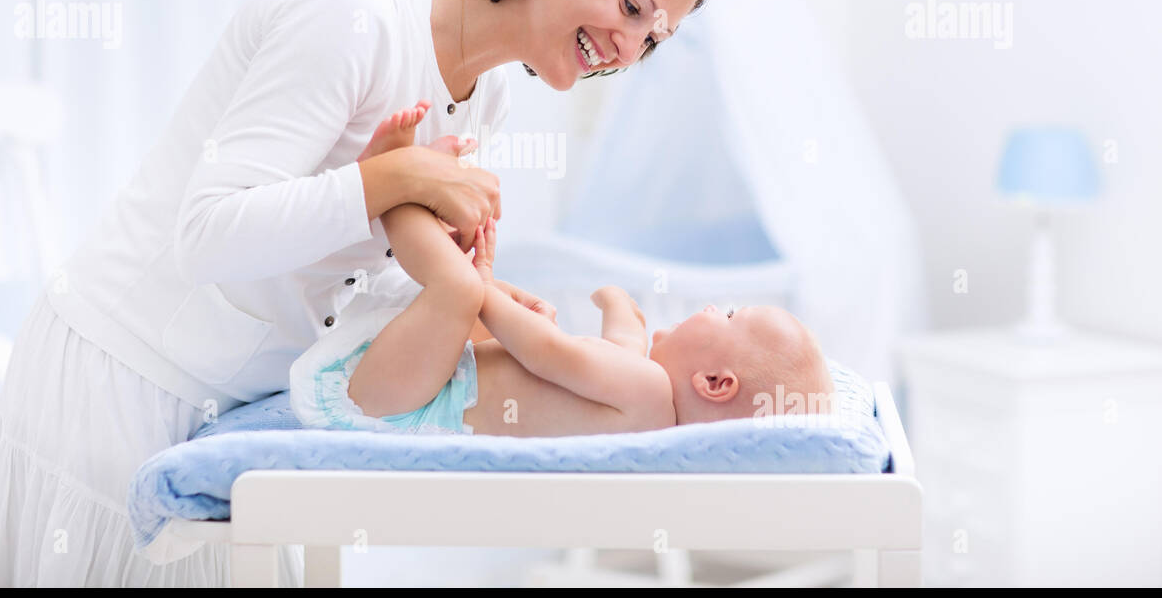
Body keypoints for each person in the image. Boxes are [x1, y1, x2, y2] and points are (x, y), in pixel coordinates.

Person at [0, 0, 721, 586]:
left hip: (237, 411)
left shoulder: (488, 95)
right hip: (121, 379)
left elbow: (350, 270)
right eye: (630, 6)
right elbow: (207, 235)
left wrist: (478, 305)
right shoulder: (352, 14)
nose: (629, 49)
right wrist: (388, 177)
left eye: (654, 37)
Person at [290, 103, 834, 439]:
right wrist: (615, 306)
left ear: (714, 383)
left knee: (458, 288)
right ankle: (405, 191)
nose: (715, 306)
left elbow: (554, 353)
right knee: (477, 296)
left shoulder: (646, 394)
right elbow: (620, 343)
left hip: (401, 403)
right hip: (418, 389)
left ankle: (392, 184)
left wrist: (485, 288)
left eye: (731, 314)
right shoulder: (646, 403)